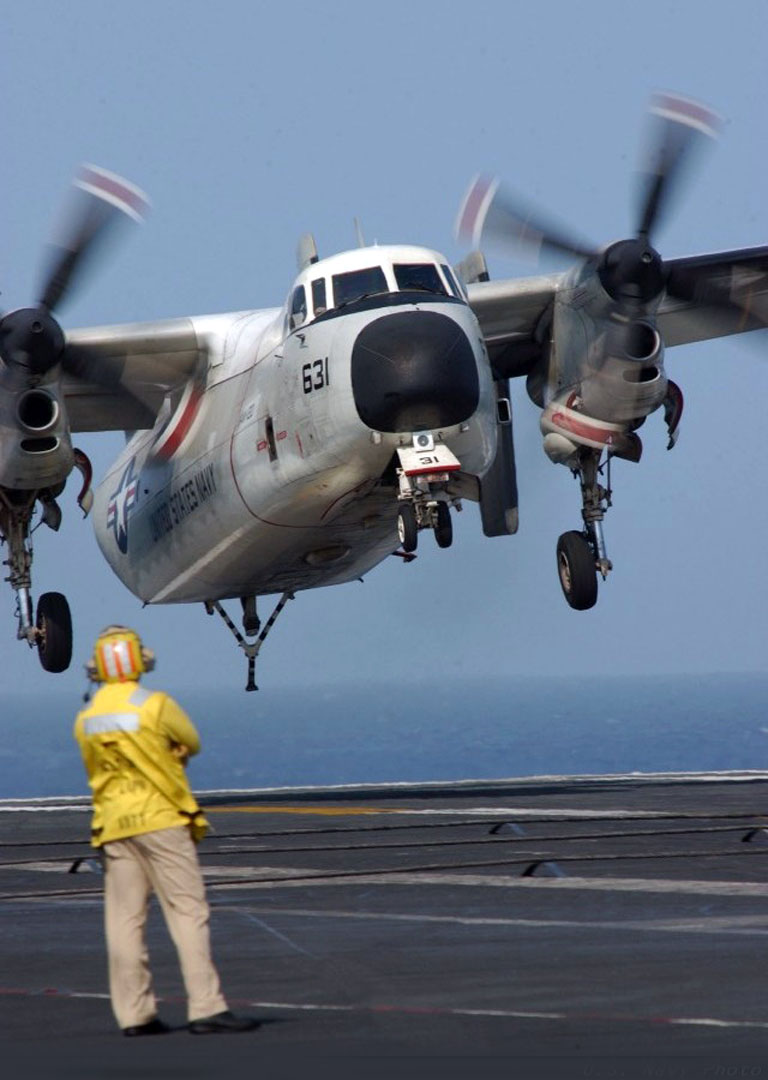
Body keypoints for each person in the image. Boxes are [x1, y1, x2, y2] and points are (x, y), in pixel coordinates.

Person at [73, 625, 258, 1037]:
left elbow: (94, 768)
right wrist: (170, 752)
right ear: (142, 661)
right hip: (160, 820)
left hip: (114, 825)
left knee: (124, 922)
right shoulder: (153, 705)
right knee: (187, 912)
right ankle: (206, 1007)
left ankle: (136, 1015)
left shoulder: (87, 719)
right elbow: (191, 741)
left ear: (96, 667)